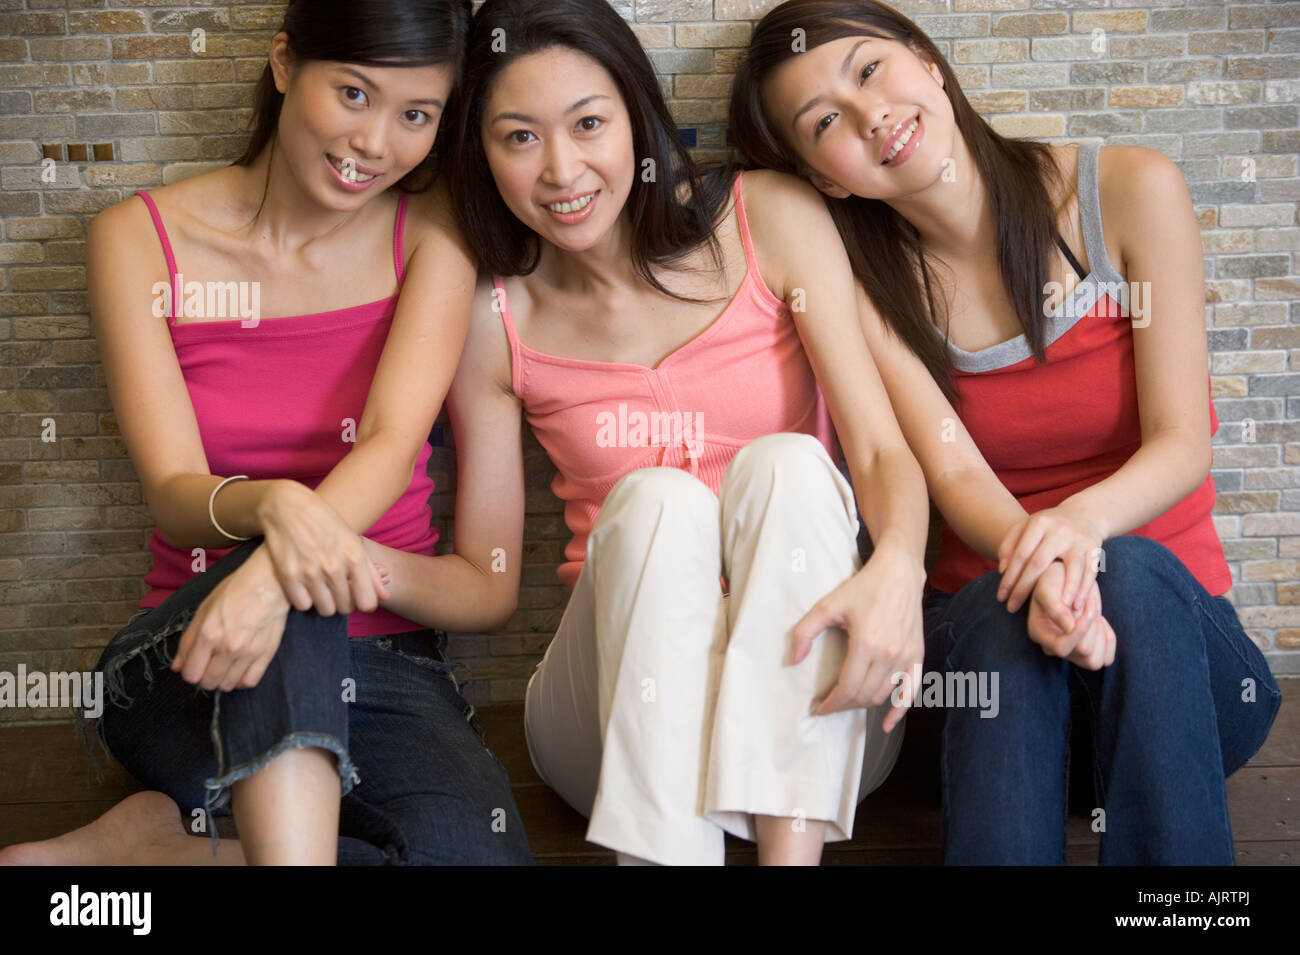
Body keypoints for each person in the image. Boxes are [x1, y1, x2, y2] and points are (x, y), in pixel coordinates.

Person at [358, 0, 930, 866]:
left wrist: (896, 567)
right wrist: (346, 560)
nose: (561, 169)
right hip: (613, 716)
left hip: (819, 704)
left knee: (788, 464)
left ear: (637, 118)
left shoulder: (766, 217)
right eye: (519, 137)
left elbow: (883, 452)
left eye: (589, 123)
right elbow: (489, 581)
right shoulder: (495, 316)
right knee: (658, 500)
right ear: (480, 151)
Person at [729, 0, 1282, 864]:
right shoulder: (873, 286)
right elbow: (954, 478)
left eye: (871, 70)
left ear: (928, 61)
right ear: (826, 178)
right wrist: (1049, 573)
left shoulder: (1131, 190)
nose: (872, 115)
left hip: (1183, 690)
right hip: (996, 695)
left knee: (1127, 565)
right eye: (826, 121)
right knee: (998, 602)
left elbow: (1183, 442)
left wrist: (1078, 531)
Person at [0, 0, 530, 866]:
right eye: (353, 94)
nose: (376, 143)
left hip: (387, 665)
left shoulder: (430, 235)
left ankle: (176, 849)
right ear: (285, 64)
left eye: (416, 116)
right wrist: (277, 510)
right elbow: (176, 497)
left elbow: (392, 443)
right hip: (199, 646)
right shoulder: (139, 241)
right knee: (297, 603)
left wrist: (288, 569)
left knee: (479, 856)